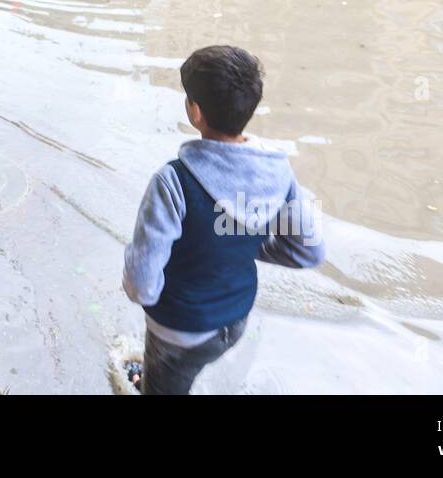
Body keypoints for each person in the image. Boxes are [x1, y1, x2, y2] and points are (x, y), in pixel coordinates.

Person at [123, 46, 325, 394]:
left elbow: (142, 286)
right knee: (190, 363)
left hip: (180, 331)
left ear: (195, 111)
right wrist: (244, 244)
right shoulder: (277, 172)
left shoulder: (172, 182)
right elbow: (308, 252)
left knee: (166, 381)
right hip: (235, 320)